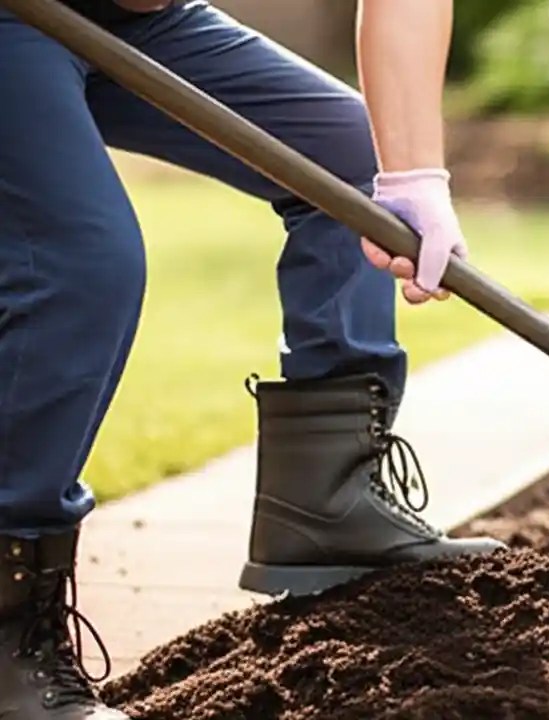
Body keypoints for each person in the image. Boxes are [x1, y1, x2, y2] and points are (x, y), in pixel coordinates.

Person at [0, 1, 503, 717]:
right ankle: (7, 621)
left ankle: (325, 501)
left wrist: (413, 179)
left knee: (348, 164)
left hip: (143, 19)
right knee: (79, 262)